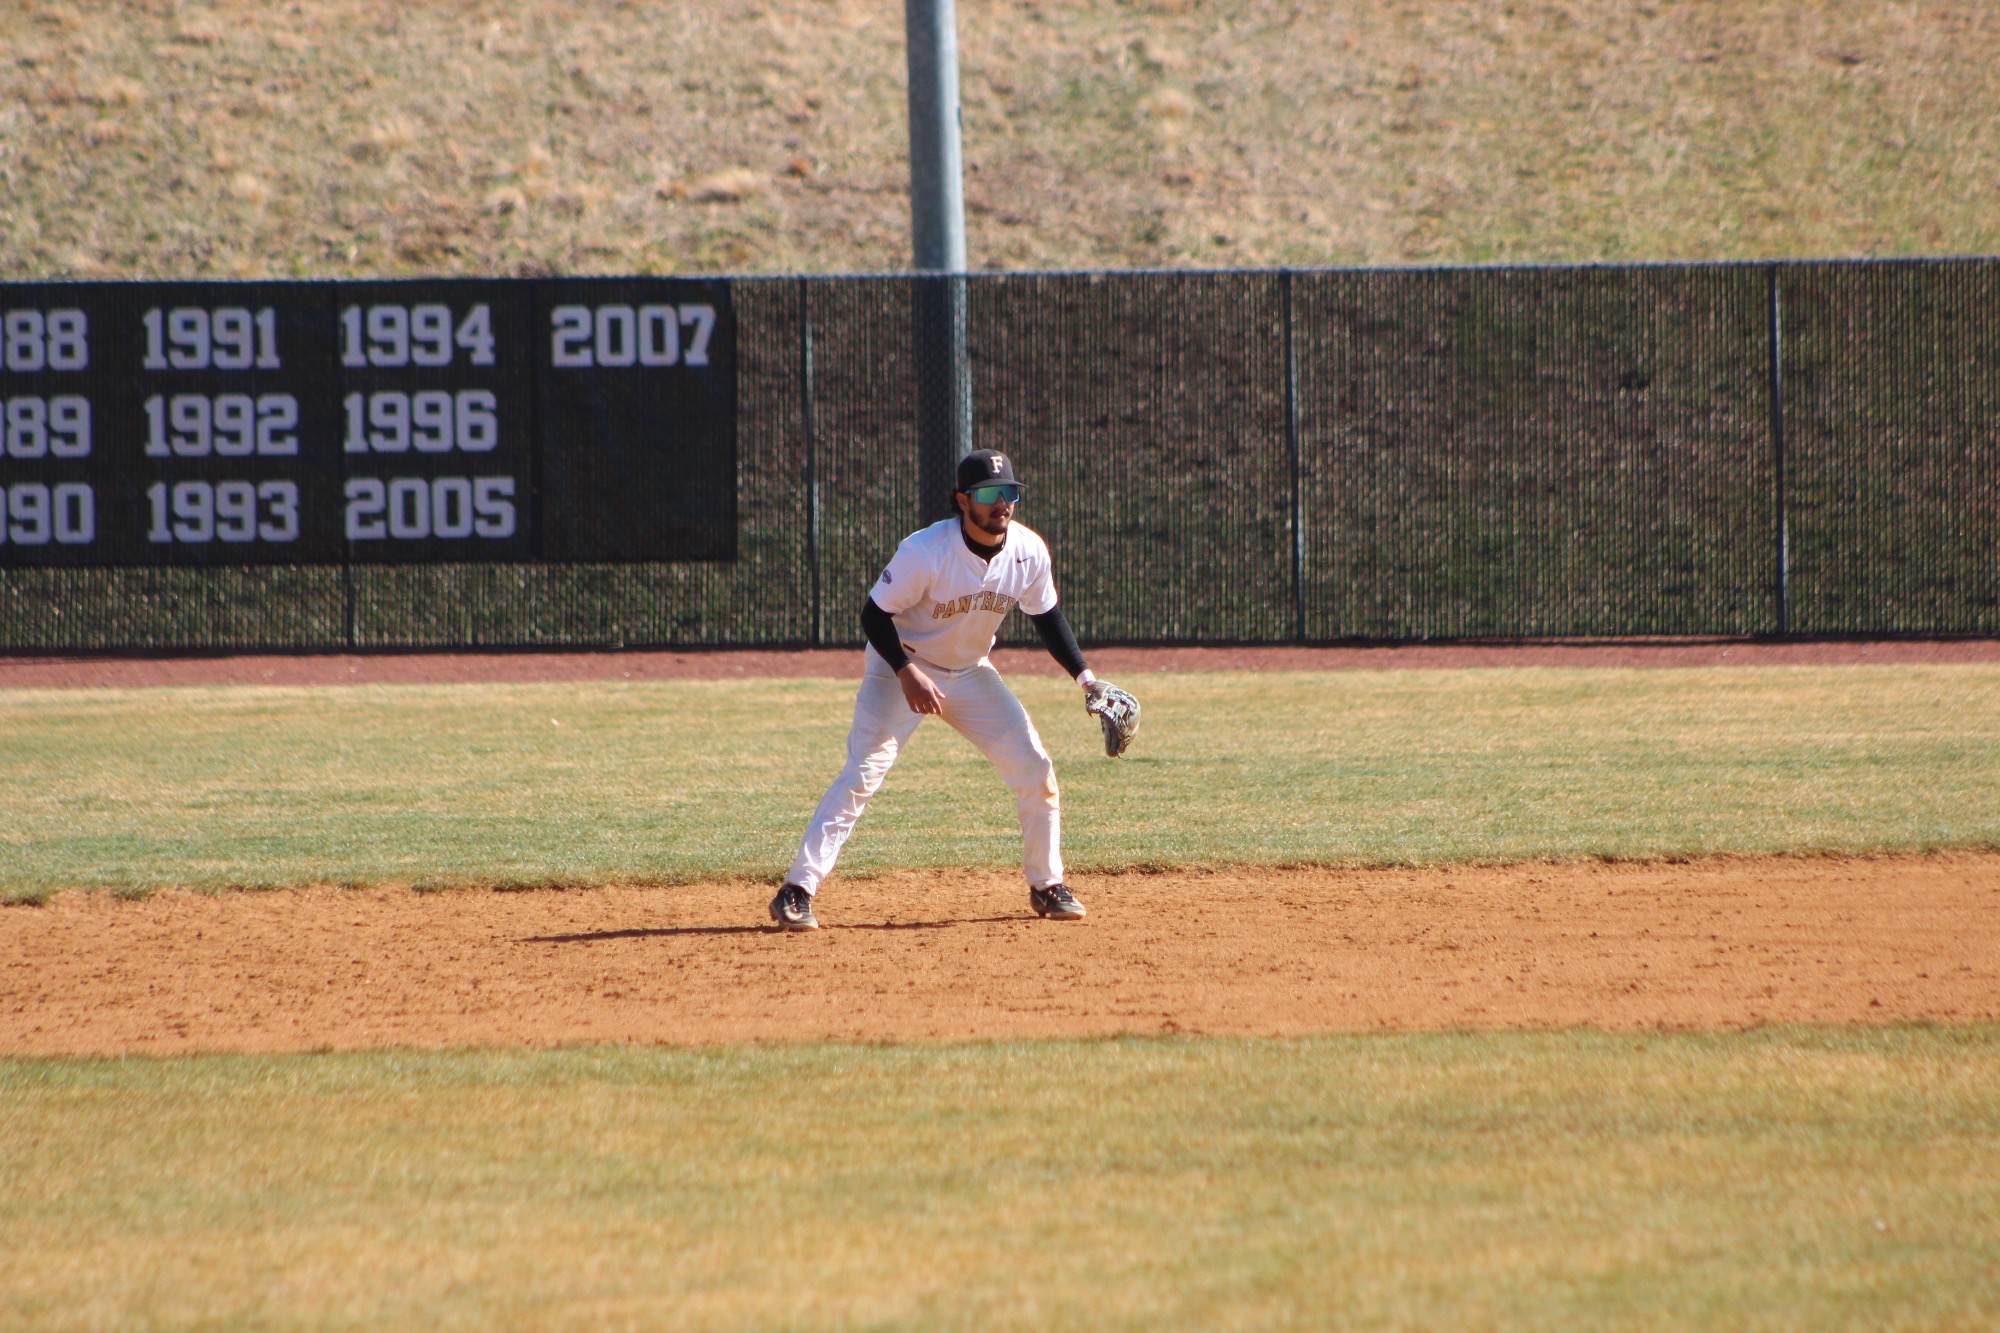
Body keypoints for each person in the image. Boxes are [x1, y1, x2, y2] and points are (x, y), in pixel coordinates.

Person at [771, 449, 1101, 931]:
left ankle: (1048, 884)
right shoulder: (926, 551)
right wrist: (906, 670)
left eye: (1009, 492)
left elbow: (1047, 616)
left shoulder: (1028, 550)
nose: (1002, 503)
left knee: (1035, 770)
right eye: (988, 494)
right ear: (962, 501)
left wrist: (1086, 678)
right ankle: (796, 889)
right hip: (900, 666)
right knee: (862, 774)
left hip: (970, 673)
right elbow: (873, 615)